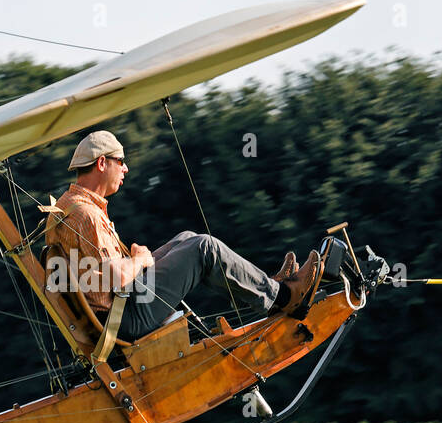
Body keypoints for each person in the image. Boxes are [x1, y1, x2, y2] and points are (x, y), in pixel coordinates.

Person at [43, 130, 319, 342]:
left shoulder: (67, 206)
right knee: (204, 248)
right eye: (121, 161)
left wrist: (136, 261)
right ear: (102, 163)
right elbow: (110, 280)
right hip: (123, 318)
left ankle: (264, 287)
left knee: (187, 237)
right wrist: (138, 261)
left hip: (112, 312)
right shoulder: (87, 215)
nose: (125, 168)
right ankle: (284, 296)